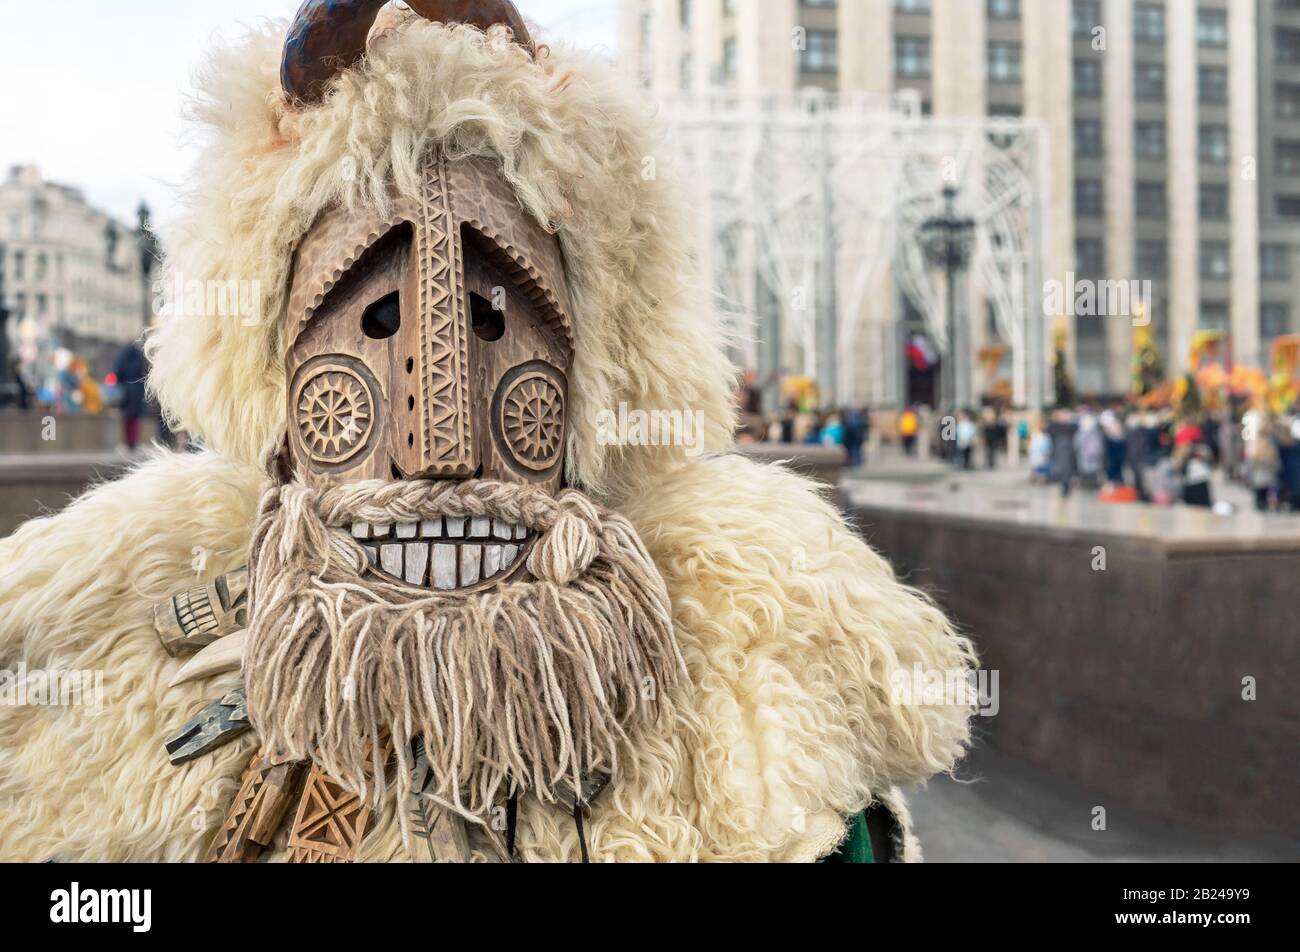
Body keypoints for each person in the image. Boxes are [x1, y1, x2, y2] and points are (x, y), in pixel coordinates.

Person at [0, 1, 973, 863]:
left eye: (496, 323)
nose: (441, 441)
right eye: (371, 323)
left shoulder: (767, 717)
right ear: (275, 390)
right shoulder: (99, 659)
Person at [111, 339, 149, 451]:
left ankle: (127, 442)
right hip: (137, 389)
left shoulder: (122, 355)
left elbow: (117, 371)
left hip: (125, 390)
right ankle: (134, 442)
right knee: (135, 418)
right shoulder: (139, 355)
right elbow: (144, 372)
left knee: (126, 418)